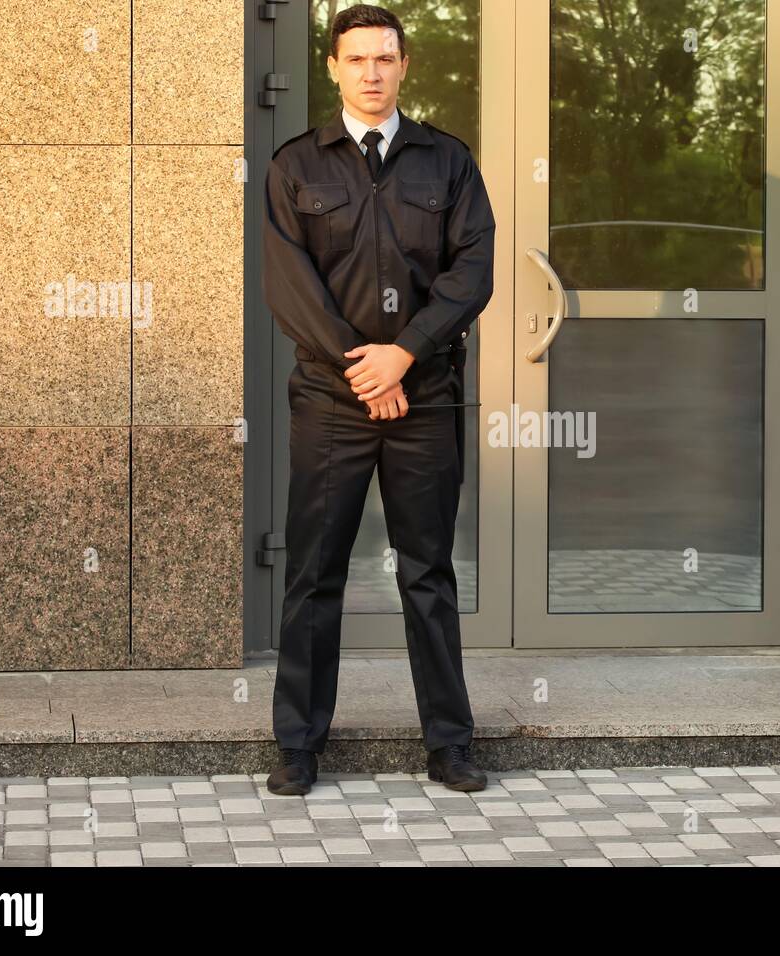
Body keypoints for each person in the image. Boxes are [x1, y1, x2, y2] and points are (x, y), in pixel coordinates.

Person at [260, 3, 495, 795]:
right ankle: (298, 743)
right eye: (355, 59)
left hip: (425, 397)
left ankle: (450, 744)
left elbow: (472, 275)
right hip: (330, 401)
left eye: (384, 59)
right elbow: (289, 285)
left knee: (427, 571)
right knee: (314, 573)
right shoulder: (296, 165)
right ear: (333, 67)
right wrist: (365, 370)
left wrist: (403, 356)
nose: (370, 72)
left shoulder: (449, 162)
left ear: (404, 66)